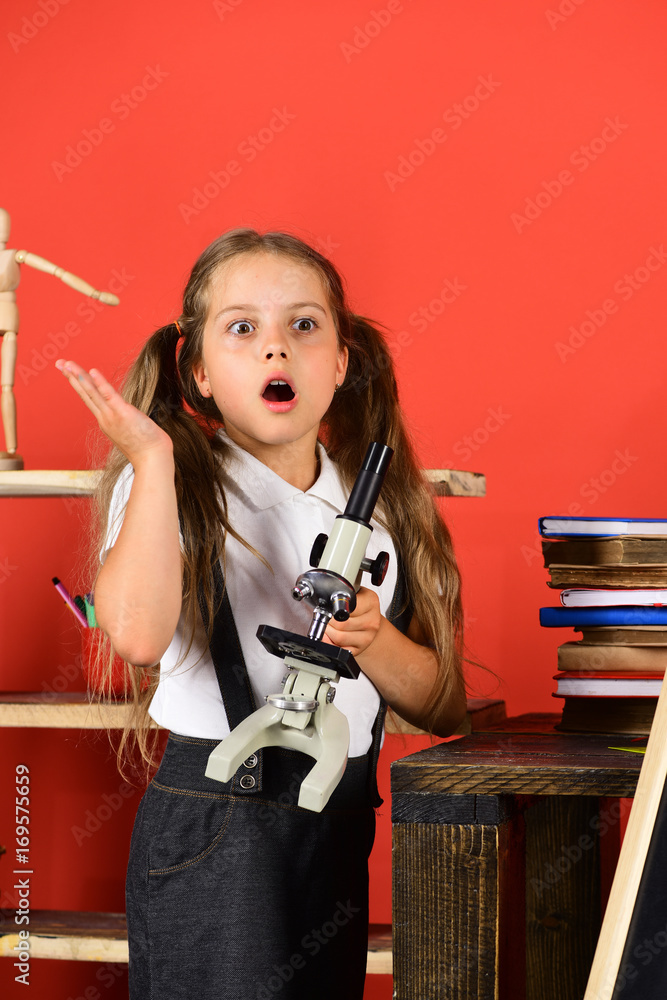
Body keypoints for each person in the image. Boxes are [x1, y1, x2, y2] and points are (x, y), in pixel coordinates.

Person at [55, 228, 466, 1000]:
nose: (276, 350)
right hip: (219, 832)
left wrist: (371, 636)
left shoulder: (377, 514)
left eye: (303, 326)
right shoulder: (172, 488)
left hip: (337, 825)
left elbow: (440, 704)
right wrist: (150, 463)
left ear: (341, 361)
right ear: (199, 371)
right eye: (242, 328)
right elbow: (138, 638)